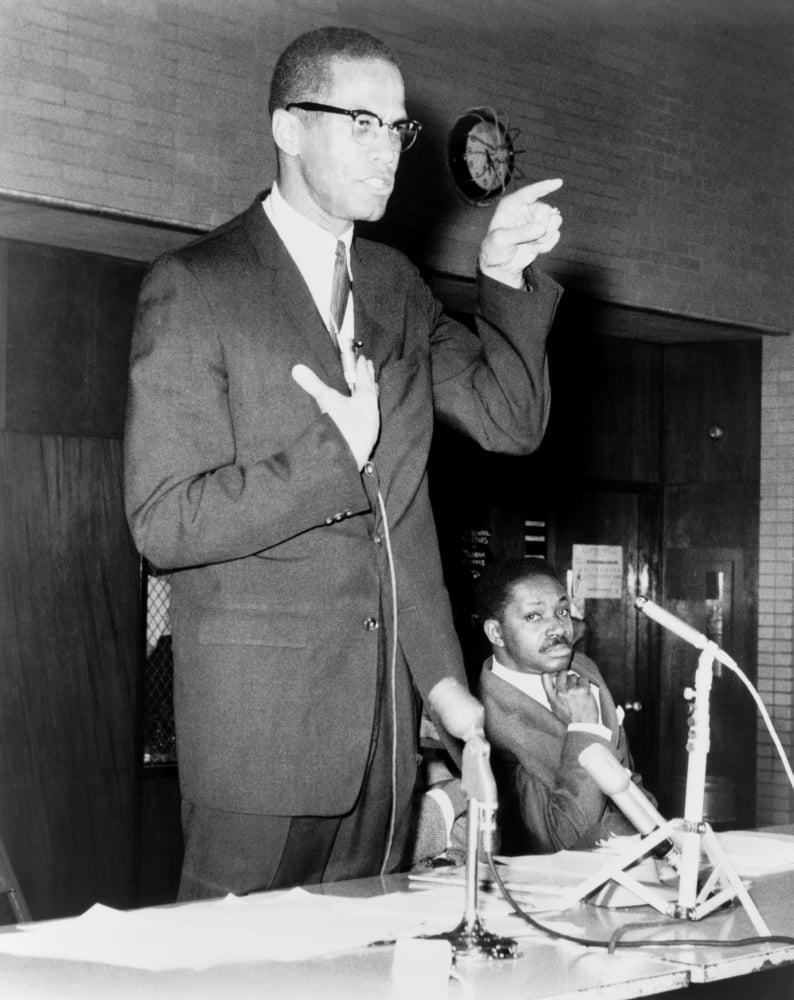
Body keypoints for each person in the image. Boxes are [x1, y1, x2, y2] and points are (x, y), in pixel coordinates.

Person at [124, 26, 563, 900]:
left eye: (396, 128)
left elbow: (507, 420)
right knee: (238, 967)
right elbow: (164, 521)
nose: (387, 150)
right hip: (261, 747)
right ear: (288, 128)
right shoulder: (197, 285)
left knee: (366, 963)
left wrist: (502, 280)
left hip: (387, 747)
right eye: (361, 122)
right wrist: (336, 455)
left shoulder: (395, 286)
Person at [476, 558, 655, 854]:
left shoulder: (583, 669)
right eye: (534, 616)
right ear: (496, 633)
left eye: (562, 611)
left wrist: (660, 838)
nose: (557, 627)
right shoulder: (488, 723)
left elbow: (630, 783)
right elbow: (560, 841)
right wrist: (584, 727)